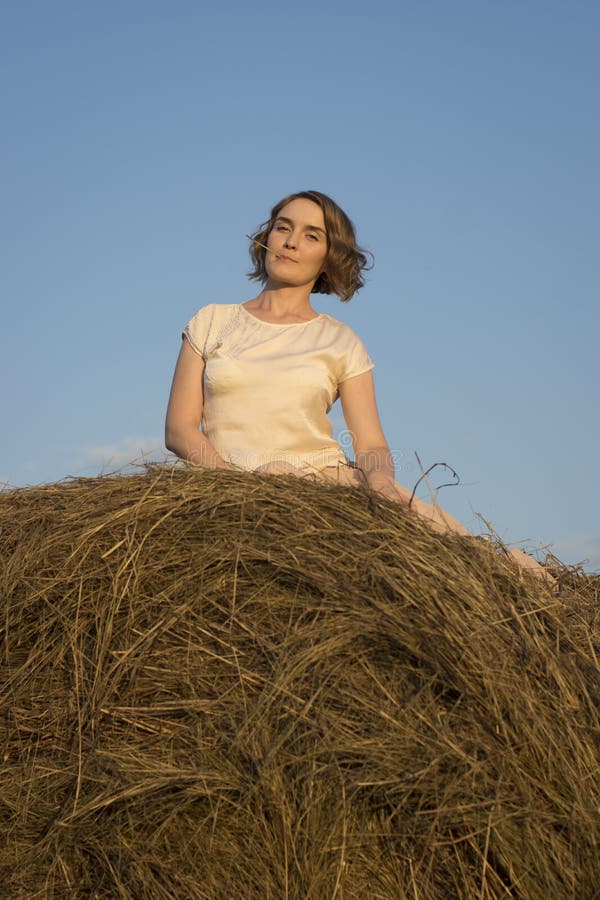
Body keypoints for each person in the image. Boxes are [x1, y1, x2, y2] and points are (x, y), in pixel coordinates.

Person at [165, 190, 547, 577]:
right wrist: (230, 483)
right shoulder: (211, 321)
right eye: (283, 227)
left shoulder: (341, 341)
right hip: (235, 479)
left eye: (311, 235)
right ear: (267, 237)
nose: (291, 242)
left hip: (325, 484)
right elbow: (179, 429)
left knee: (465, 562)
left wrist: (379, 483)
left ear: (329, 259)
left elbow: (371, 444)